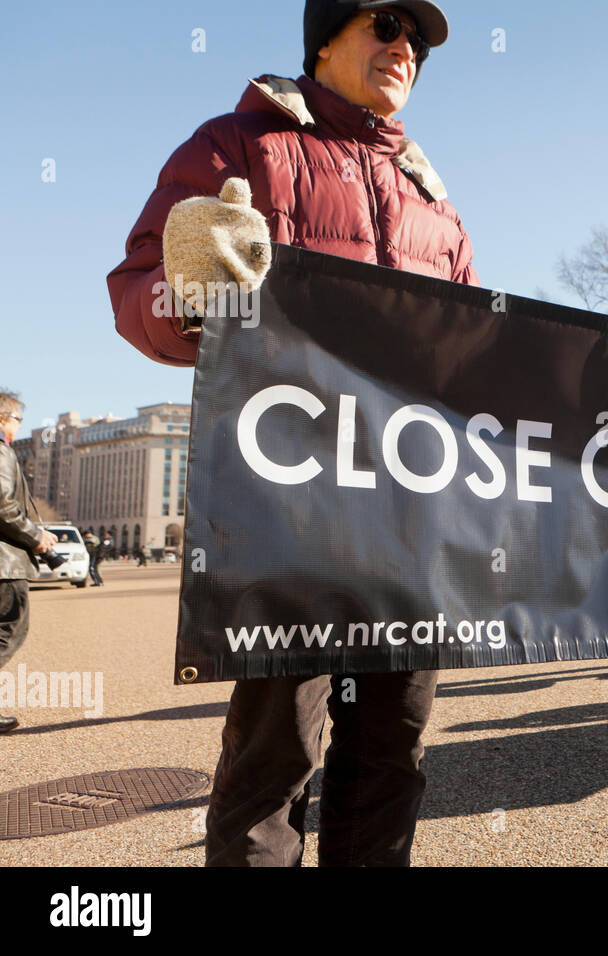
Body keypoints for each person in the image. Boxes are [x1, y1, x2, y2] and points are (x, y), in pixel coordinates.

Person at [107, 0, 477, 866]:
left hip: (408, 518)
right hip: (289, 512)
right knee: (273, 764)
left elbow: (471, 358)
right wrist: (190, 293)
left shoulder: (433, 192)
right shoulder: (235, 145)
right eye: (387, 24)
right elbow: (139, 299)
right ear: (326, 35)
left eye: (418, 41)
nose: (406, 49)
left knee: (393, 756)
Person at [0, 391, 58, 734]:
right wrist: (35, 536)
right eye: (17, 419)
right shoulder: (2, 451)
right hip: (5, 564)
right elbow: (3, 506)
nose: (19, 426)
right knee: (9, 629)